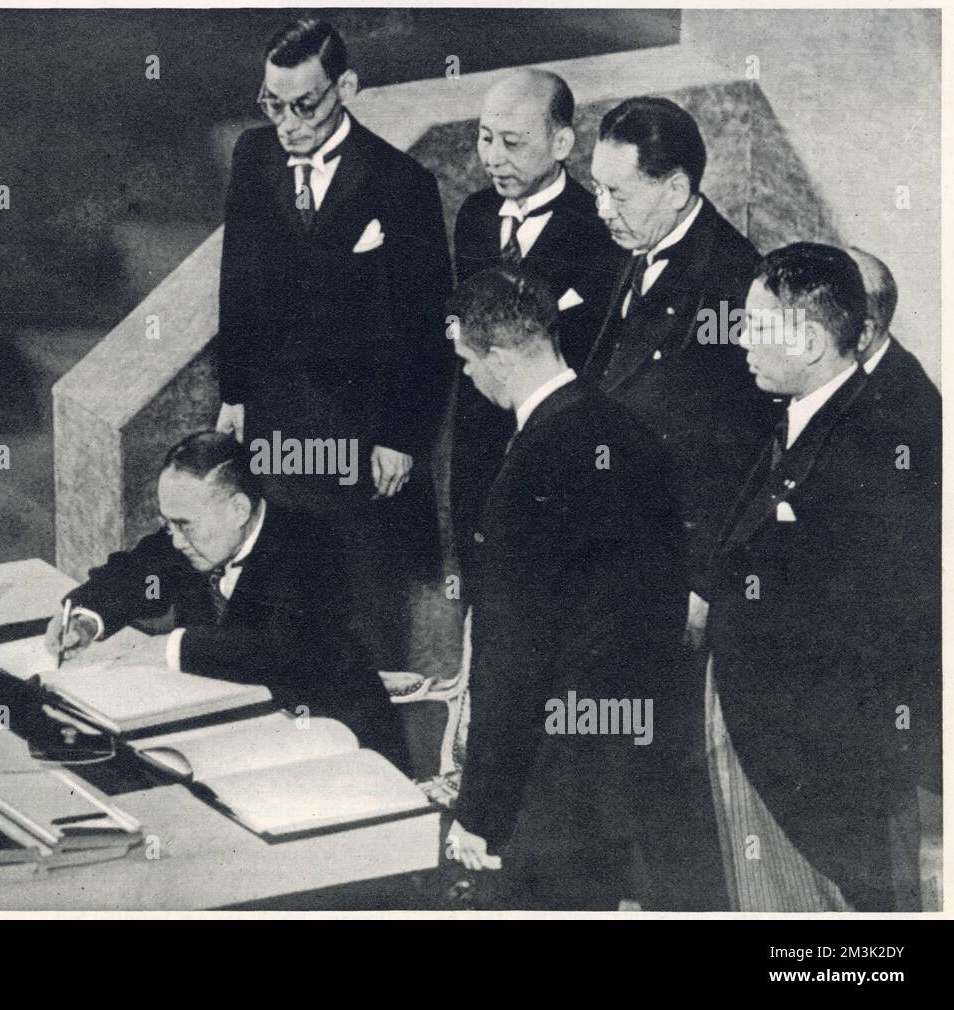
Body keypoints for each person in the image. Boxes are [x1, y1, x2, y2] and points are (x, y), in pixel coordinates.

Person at [443, 264, 687, 909]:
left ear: (497, 356)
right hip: (638, 748)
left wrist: (480, 808)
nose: (466, 376)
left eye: (467, 360)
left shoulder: (530, 466)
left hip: (556, 774)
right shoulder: (627, 429)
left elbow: (513, 658)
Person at [214, 17, 453, 670]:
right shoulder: (253, 156)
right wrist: (233, 393)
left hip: (359, 437)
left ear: (345, 87)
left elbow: (426, 325)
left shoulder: (401, 185)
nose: (286, 123)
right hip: (274, 426)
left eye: (304, 105)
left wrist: (402, 436)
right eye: (273, 103)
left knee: (365, 616)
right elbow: (236, 280)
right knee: (280, 600)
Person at [703, 242, 923, 910]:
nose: (739, 338)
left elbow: (876, 628)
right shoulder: (805, 418)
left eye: (758, 326)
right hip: (770, 739)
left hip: (807, 764)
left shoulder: (871, 442)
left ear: (811, 341)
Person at [45, 430, 405, 765]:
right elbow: (138, 570)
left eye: (184, 524)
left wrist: (170, 648)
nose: (175, 540)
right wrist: (86, 617)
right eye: (167, 524)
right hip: (237, 728)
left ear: (239, 510)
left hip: (332, 742)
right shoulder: (192, 538)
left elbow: (281, 648)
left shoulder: (309, 548)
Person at [585, 97, 776, 583]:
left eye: (617, 194)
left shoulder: (732, 283)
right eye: (596, 188)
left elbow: (738, 446)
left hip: (669, 554)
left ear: (675, 189)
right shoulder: (638, 238)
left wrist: (702, 582)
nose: (602, 210)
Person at [449, 69, 620, 580]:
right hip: (477, 449)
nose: (493, 157)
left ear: (561, 141)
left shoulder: (600, 227)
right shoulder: (475, 215)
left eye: (513, 142)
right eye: (484, 138)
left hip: (555, 453)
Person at [847, 246, 942, 908]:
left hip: (882, 675)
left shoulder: (903, 407)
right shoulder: (866, 383)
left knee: (882, 855)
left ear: (863, 327)